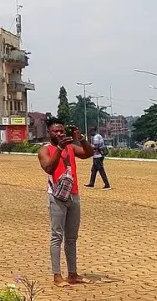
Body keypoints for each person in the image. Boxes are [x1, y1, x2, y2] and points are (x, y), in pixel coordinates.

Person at [37, 118, 95, 288]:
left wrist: (81, 138)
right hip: (56, 197)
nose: (60, 133)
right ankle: (57, 275)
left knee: (72, 238)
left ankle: (73, 274)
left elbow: (88, 154)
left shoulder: (71, 148)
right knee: (57, 237)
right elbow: (49, 168)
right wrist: (60, 148)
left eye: (62, 131)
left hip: (73, 195)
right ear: (49, 132)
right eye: (56, 131)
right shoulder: (45, 150)